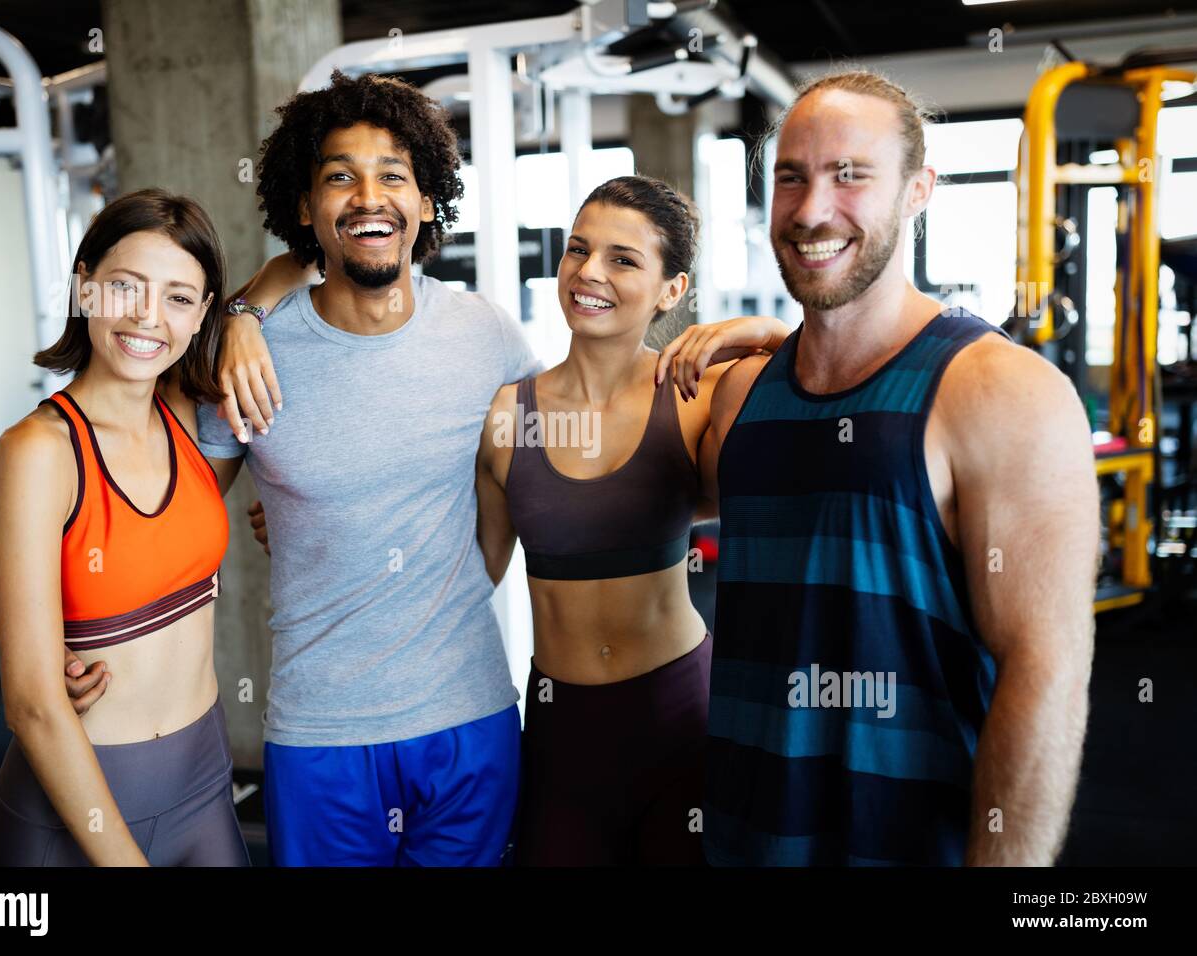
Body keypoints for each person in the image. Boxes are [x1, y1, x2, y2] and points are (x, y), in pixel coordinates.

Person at [244, 176, 790, 865]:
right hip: (561, 725)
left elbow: (823, 393)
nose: (589, 272)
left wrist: (767, 330)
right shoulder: (506, 415)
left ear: (671, 290)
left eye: (623, 260)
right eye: (578, 250)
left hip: (679, 711)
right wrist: (319, 519)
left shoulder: (698, 393)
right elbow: (467, 564)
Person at [656, 70, 1098, 866]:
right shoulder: (744, 396)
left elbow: (1048, 672)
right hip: (742, 837)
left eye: (850, 174)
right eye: (791, 177)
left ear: (918, 190)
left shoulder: (1001, 390)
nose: (812, 208)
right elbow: (620, 504)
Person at [192, 71, 541, 866]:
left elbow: (532, 481)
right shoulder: (252, 356)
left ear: (425, 202)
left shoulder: (486, 334)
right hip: (322, 736)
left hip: (470, 720)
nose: (368, 195)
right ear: (307, 210)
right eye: (339, 176)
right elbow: (181, 524)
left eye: (393, 175)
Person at [0, 189, 249, 866]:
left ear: (202, 315)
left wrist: (246, 315)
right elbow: (33, 704)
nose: (147, 317)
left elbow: (299, 271)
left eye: (178, 297)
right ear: (84, 289)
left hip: (203, 787)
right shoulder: (39, 451)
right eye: (125, 287)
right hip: (71, 817)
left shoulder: (190, 413)